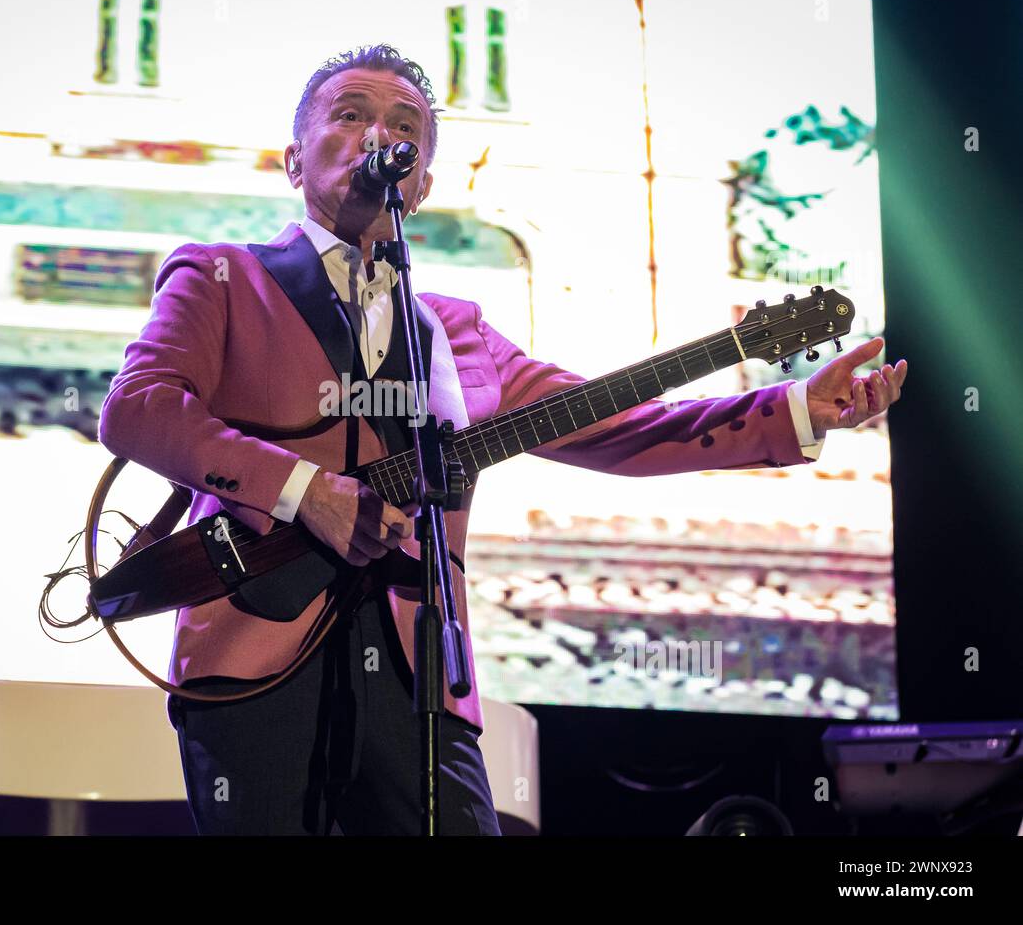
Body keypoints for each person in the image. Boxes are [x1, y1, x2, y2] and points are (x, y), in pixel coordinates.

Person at [97, 44, 908, 835]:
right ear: (294, 160)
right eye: (350, 115)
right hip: (253, 656)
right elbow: (138, 407)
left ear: (422, 181)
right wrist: (307, 491)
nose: (381, 135)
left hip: (421, 674)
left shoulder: (455, 330)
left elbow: (619, 426)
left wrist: (795, 406)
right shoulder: (222, 277)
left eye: (404, 125)